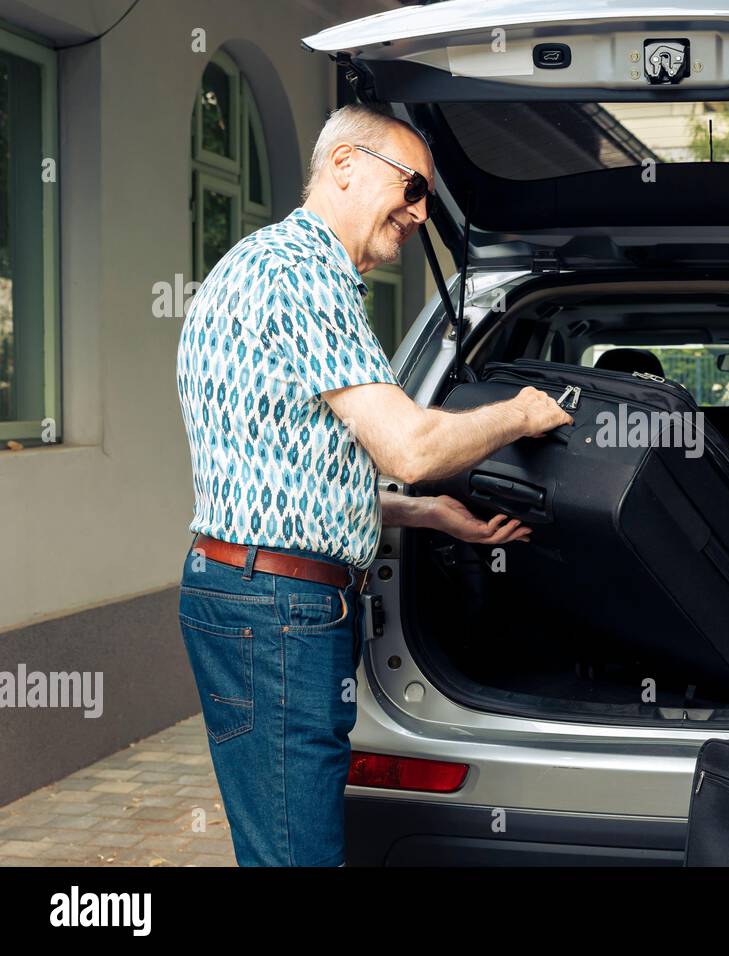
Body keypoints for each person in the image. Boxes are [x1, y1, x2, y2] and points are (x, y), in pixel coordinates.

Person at [174, 104, 571, 866]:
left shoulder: (263, 263)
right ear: (345, 165)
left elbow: (286, 480)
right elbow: (412, 446)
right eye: (413, 187)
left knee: (282, 847)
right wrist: (520, 412)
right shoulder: (305, 276)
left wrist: (428, 518)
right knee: (296, 856)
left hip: (253, 594)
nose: (421, 213)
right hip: (279, 613)